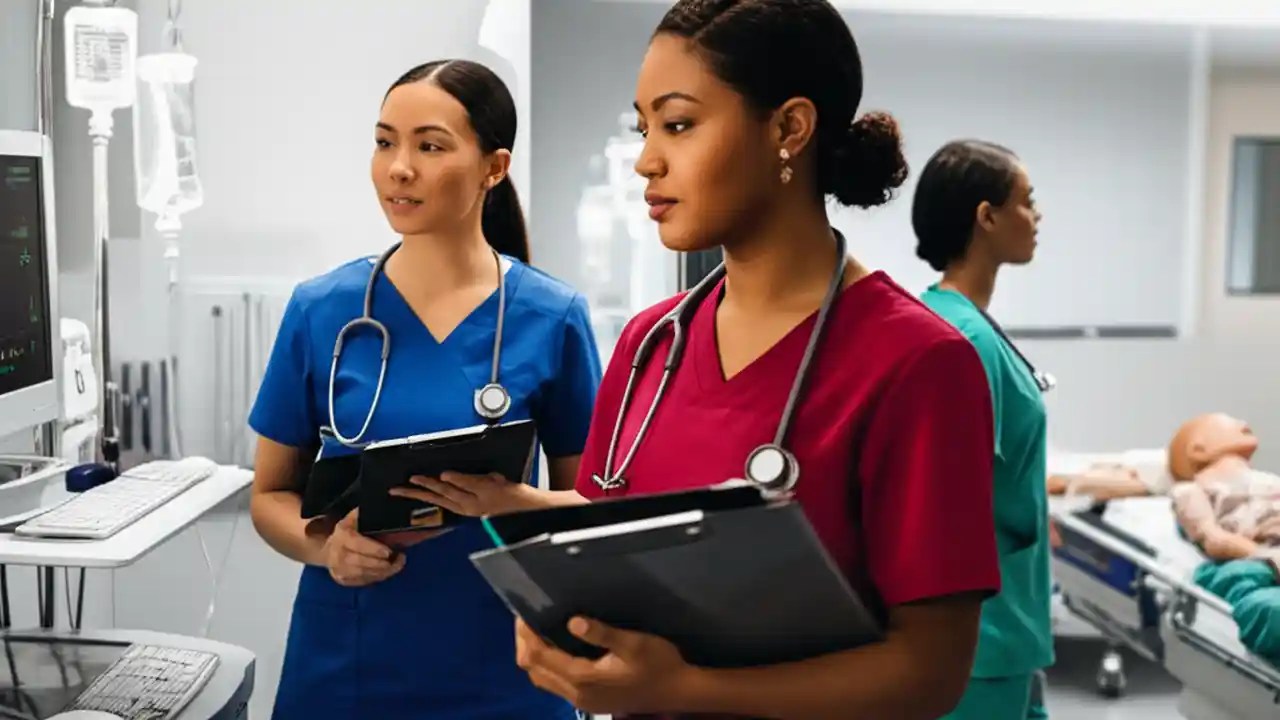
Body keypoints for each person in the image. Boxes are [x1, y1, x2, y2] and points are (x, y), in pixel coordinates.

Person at [503, 2, 1003, 718]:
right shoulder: (649, 347)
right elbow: (602, 566)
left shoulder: (920, 363)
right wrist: (563, 633)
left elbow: (929, 672)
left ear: (788, 128)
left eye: (677, 124)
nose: (647, 159)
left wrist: (687, 690)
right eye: (645, 128)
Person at [246, 59, 602, 719]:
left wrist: (512, 500)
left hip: (509, 664)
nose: (399, 167)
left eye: (429, 146)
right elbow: (269, 495)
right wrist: (325, 548)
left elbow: (590, 509)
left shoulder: (552, 318)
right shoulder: (321, 310)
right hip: (346, 665)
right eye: (385, 142)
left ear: (494, 168)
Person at [914, 139, 1053, 720]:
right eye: (1027, 200)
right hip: (980, 638)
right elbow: (949, 501)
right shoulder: (963, 340)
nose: (1037, 215)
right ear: (986, 216)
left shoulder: (960, 324)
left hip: (1001, 625)